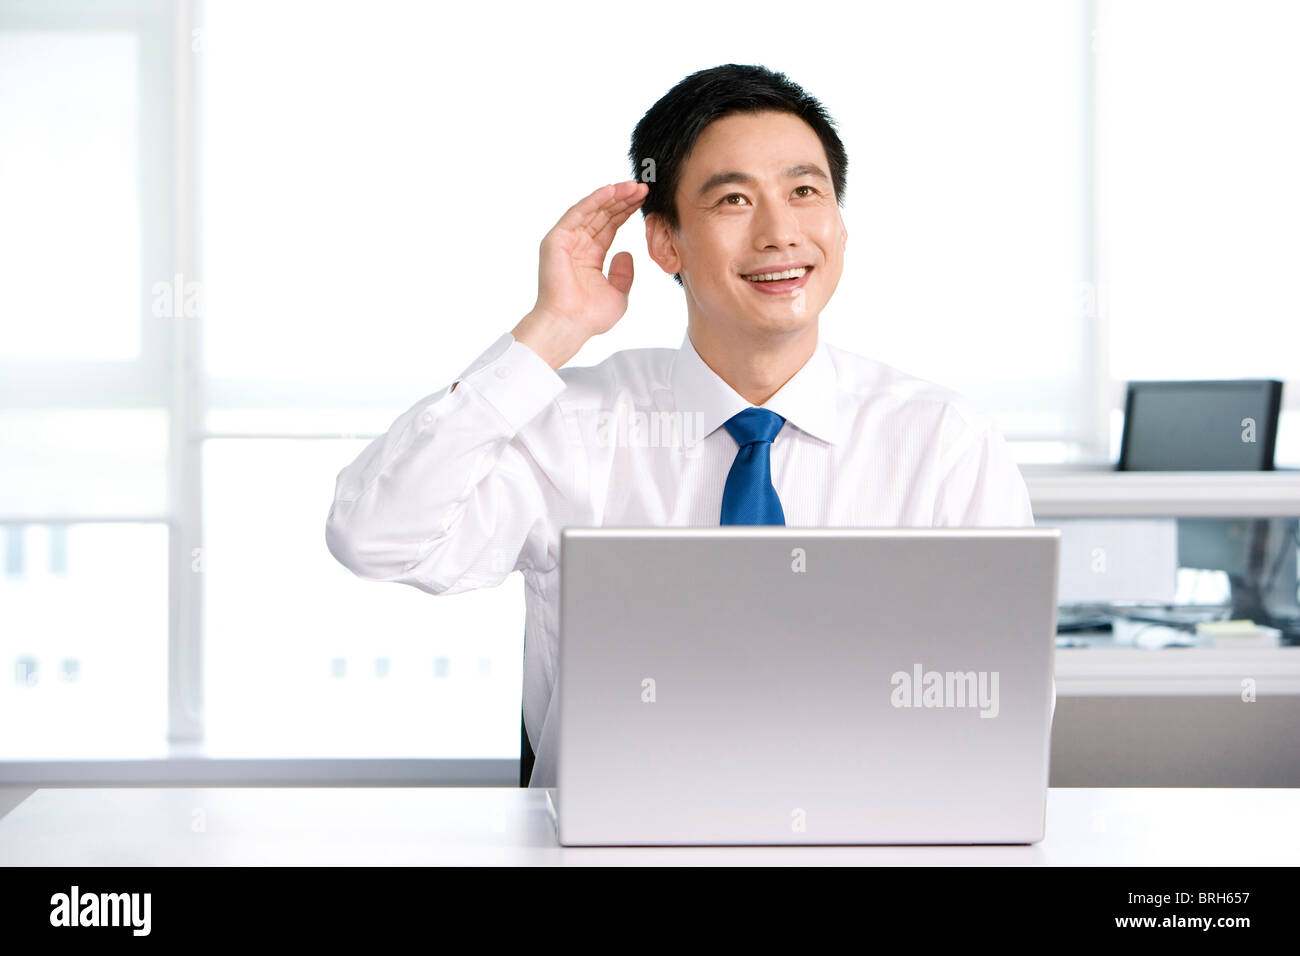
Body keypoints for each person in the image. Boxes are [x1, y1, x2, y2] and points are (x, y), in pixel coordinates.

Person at [325, 64, 1043, 789]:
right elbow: (377, 538)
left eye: (804, 192)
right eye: (734, 199)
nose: (779, 232)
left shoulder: (942, 440)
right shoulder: (574, 426)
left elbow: (999, 707)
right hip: (611, 843)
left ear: (840, 223)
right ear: (665, 242)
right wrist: (548, 333)